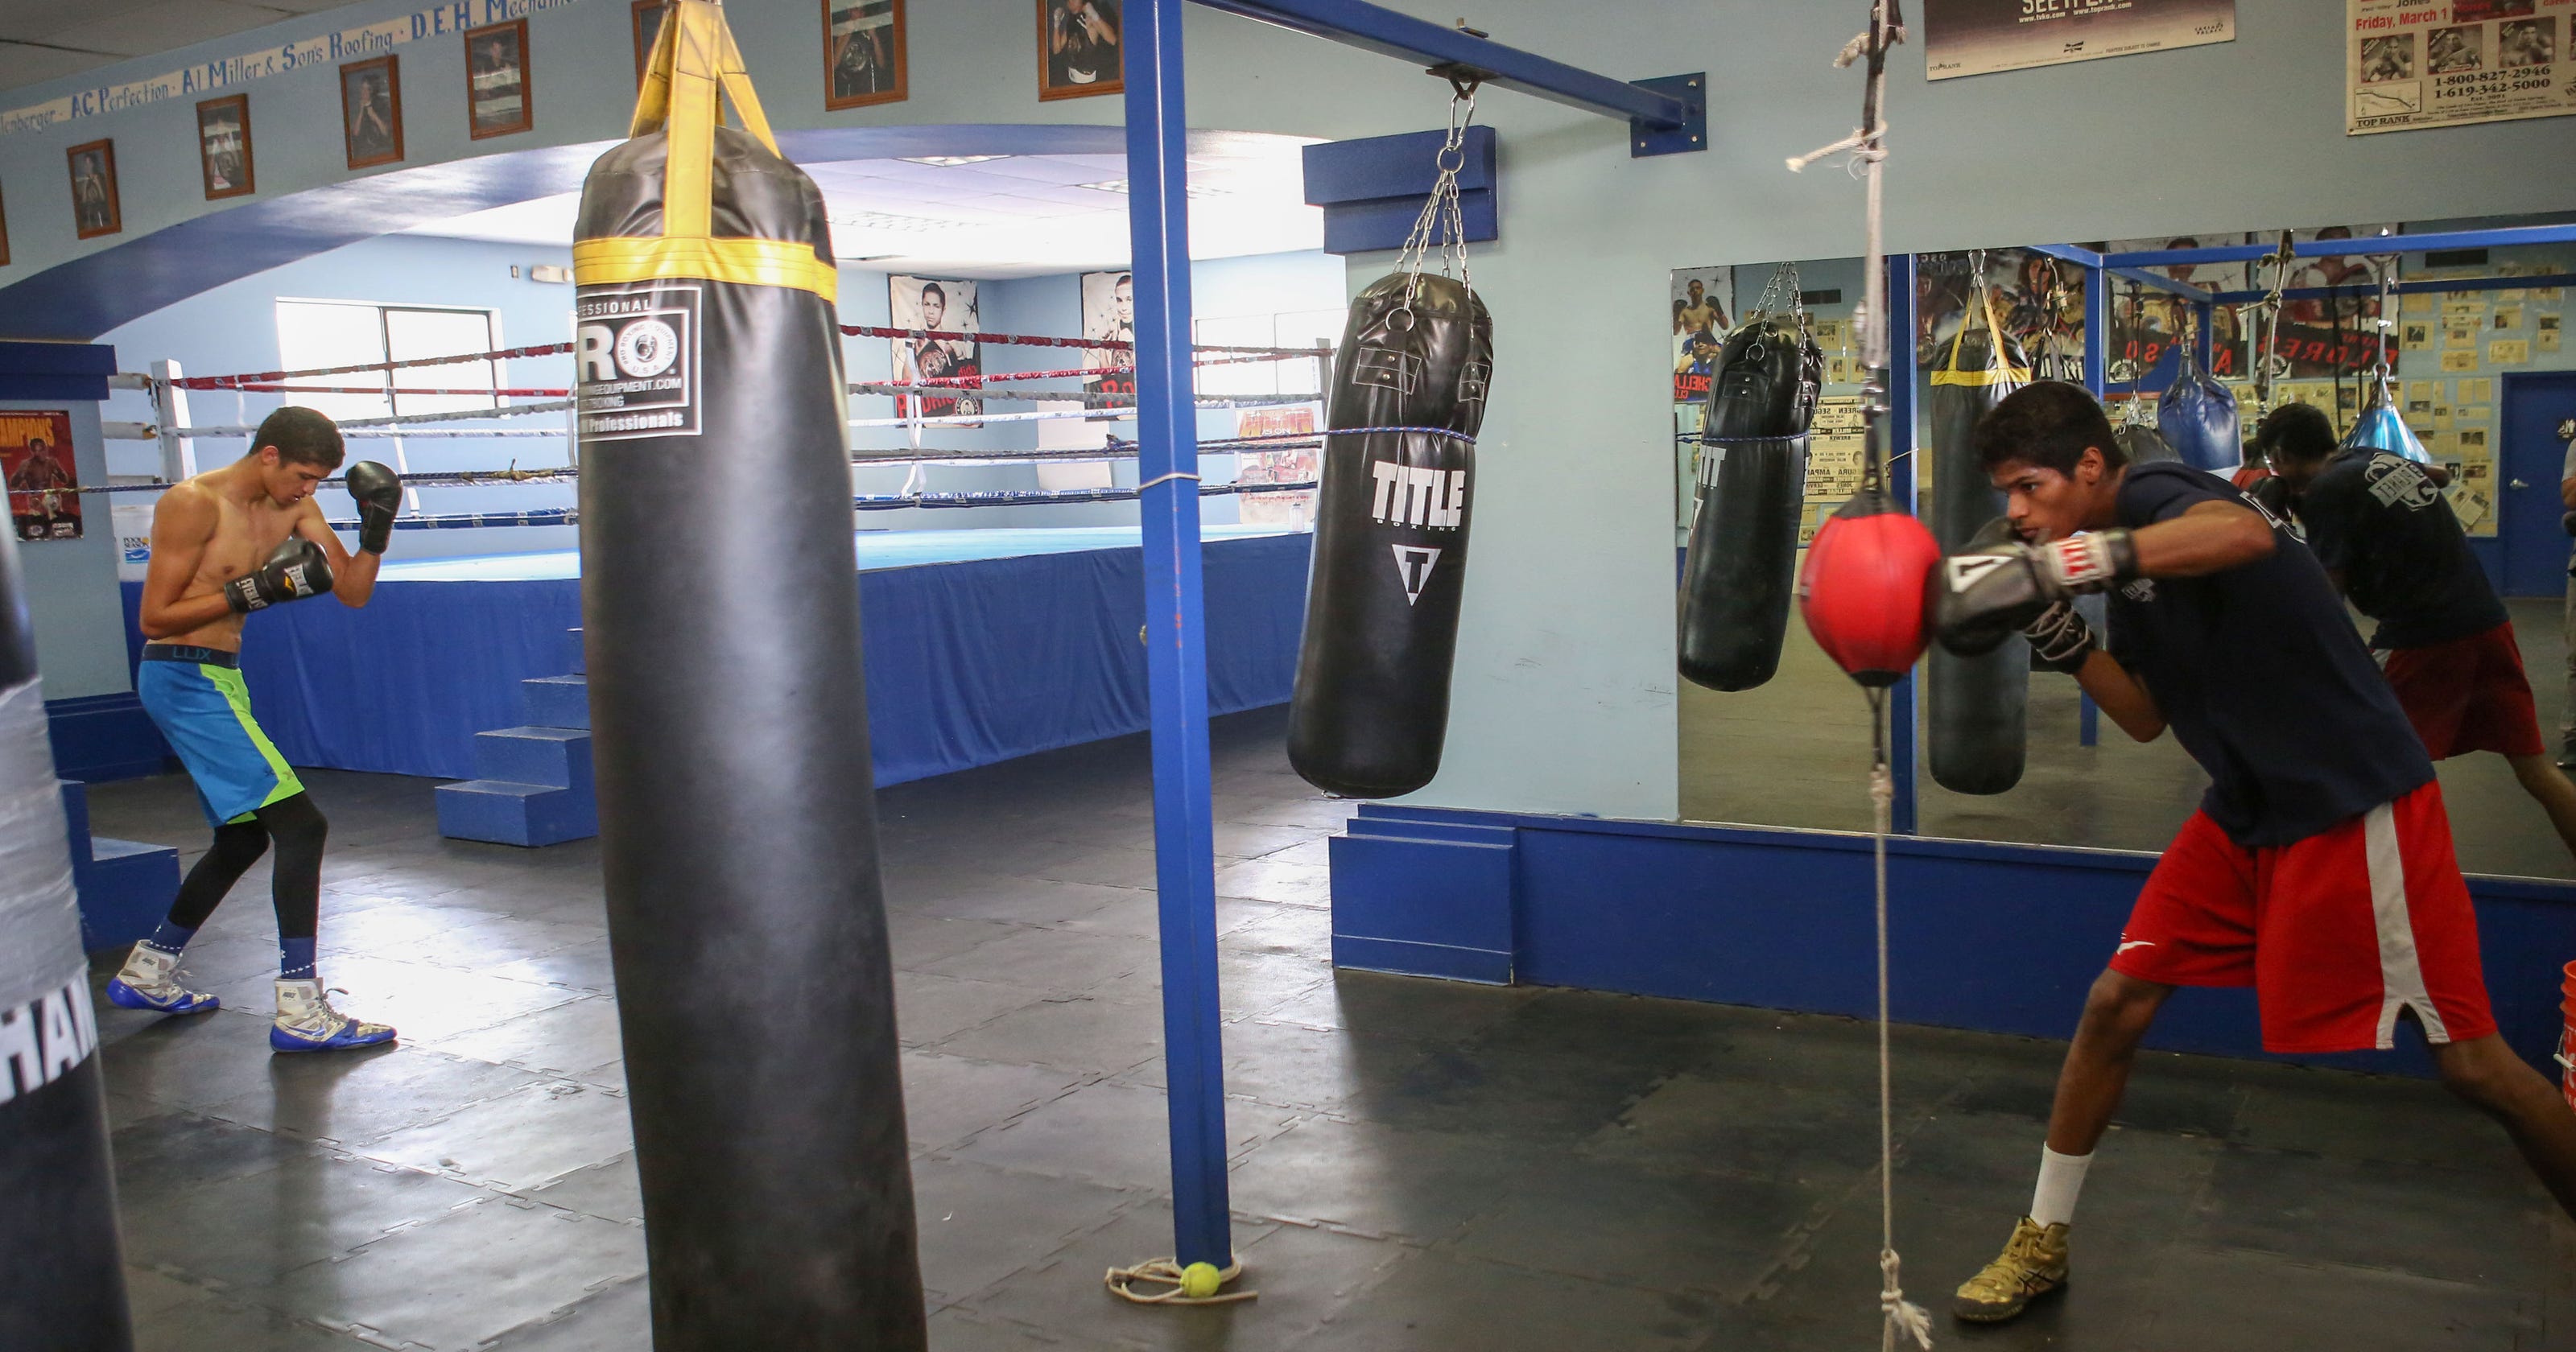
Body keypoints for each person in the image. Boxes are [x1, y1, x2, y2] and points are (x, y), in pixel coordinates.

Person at [1930, 381, 2576, 1323]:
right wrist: (2055, 631)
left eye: (2028, 488)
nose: (2015, 514)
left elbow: (2240, 538)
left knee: (2471, 1068)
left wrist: (2056, 566)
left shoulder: (2157, 495)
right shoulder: (2120, 570)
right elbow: (2146, 719)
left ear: (2090, 468)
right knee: (2115, 1002)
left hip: (2350, 803)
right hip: (2244, 809)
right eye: (2005, 496)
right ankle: (2041, 1238)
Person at [104, 407, 407, 1053]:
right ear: (268, 456)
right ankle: (300, 1007)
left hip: (222, 675)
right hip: (182, 676)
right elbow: (155, 617)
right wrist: (253, 591)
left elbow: (352, 591)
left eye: (319, 480)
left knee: (242, 839)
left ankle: (147, 972)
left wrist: (376, 531)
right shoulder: (192, 503)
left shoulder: (295, 509)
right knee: (303, 826)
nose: (309, 491)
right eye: (302, 475)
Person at [2253, 402, 2576, 863]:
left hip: (2424, 638)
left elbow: (2328, 596)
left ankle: (2384, 884)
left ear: (2281, 457)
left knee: (2361, 761)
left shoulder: (2328, 491)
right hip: (2487, 622)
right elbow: (2440, 476)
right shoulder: (2373, 458)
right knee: (2534, 768)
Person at [1048, 0, 1118, 87]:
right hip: (1071, 78)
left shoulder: (1090, 18)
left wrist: (1095, 16)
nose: (1071, 2)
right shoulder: (1072, 21)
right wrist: (1056, 24)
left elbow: (1113, 39)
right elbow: (1057, 50)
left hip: (1087, 80)